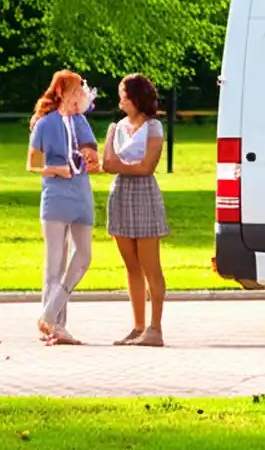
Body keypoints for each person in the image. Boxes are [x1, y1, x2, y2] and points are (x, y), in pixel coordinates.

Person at [26, 70, 101, 346]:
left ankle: (48, 314)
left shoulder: (80, 120)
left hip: (81, 194)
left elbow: (91, 151)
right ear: (62, 92)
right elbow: (32, 164)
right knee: (55, 265)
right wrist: (56, 169)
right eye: (77, 90)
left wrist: (91, 159)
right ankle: (56, 327)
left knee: (83, 256)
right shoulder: (45, 124)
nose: (81, 95)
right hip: (56, 196)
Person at [102, 74, 170, 347]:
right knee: (131, 266)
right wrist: (114, 150)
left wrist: (121, 165)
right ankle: (138, 326)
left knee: (150, 265)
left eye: (123, 96)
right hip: (120, 194)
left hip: (144, 195)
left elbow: (146, 167)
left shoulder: (154, 127)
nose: (120, 101)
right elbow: (107, 163)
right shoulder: (118, 127)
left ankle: (155, 328)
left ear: (135, 98)